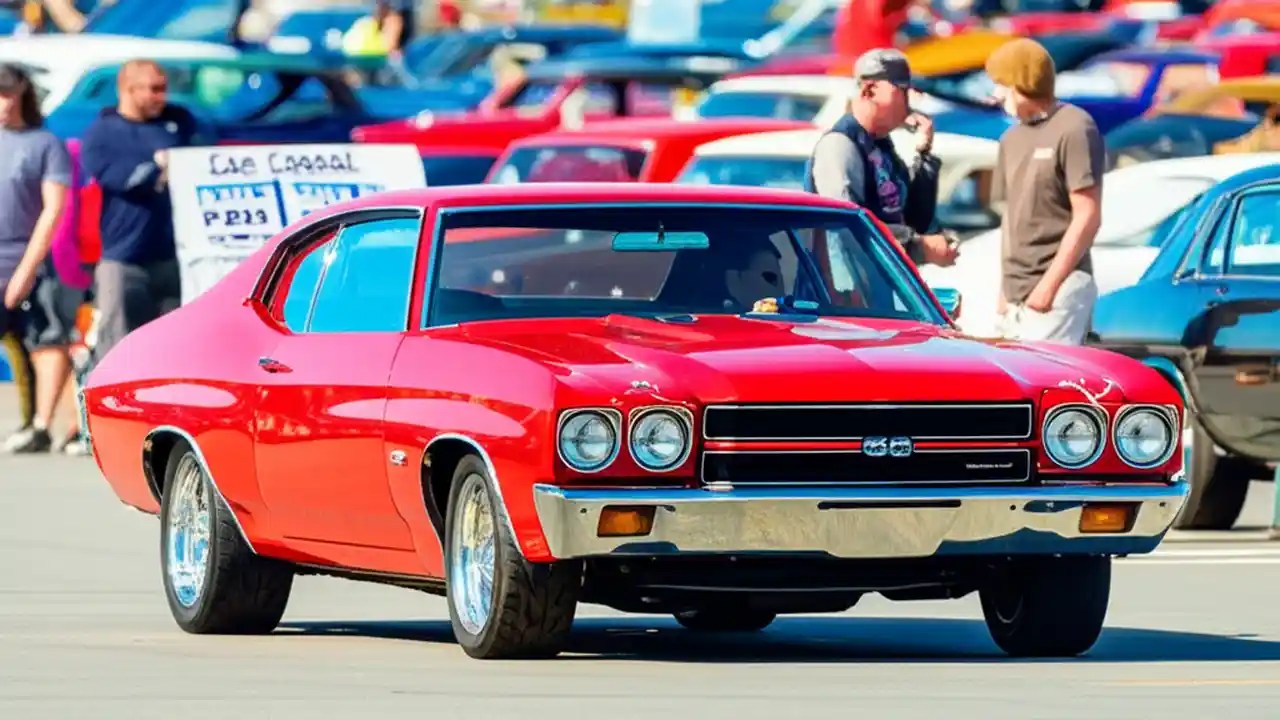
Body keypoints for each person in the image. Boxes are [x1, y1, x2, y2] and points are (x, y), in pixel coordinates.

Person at [986, 38, 1104, 345]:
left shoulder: (1075, 127)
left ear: (1023, 82)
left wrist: (1049, 288)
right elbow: (1011, 219)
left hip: (1057, 291)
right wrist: (1004, 293)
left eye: (1002, 84)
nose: (996, 94)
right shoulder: (1010, 139)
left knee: (1047, 385)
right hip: (1016, 297)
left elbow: (1087, 215)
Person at [81, 60, 195, 365]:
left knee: (176, 346)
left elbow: (205, 161)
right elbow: (124, 181)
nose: (162, 97)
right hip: (123, 260)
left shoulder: (179, 122)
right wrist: (158, 167)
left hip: (174, 258)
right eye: (154, 90)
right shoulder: (101, 134)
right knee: (117, 346)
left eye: (164, 88)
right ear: (128, 90)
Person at [805, 48, 958, 268]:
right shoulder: (840, 145)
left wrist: (924, 156)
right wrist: (921, 247)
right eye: (902, 91)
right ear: (869, 90)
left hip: (880, 288)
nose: (909, 103)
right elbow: (846, 227)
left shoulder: (881, 148)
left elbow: (915, 220)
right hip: (847, 292)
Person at [0, 63, 74, 453]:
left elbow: (52, 209)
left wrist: (25, 270)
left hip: (25, 258)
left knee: (42, 340)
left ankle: (40, 424)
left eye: (9, 95)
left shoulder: (44, 143)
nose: (4, 104)